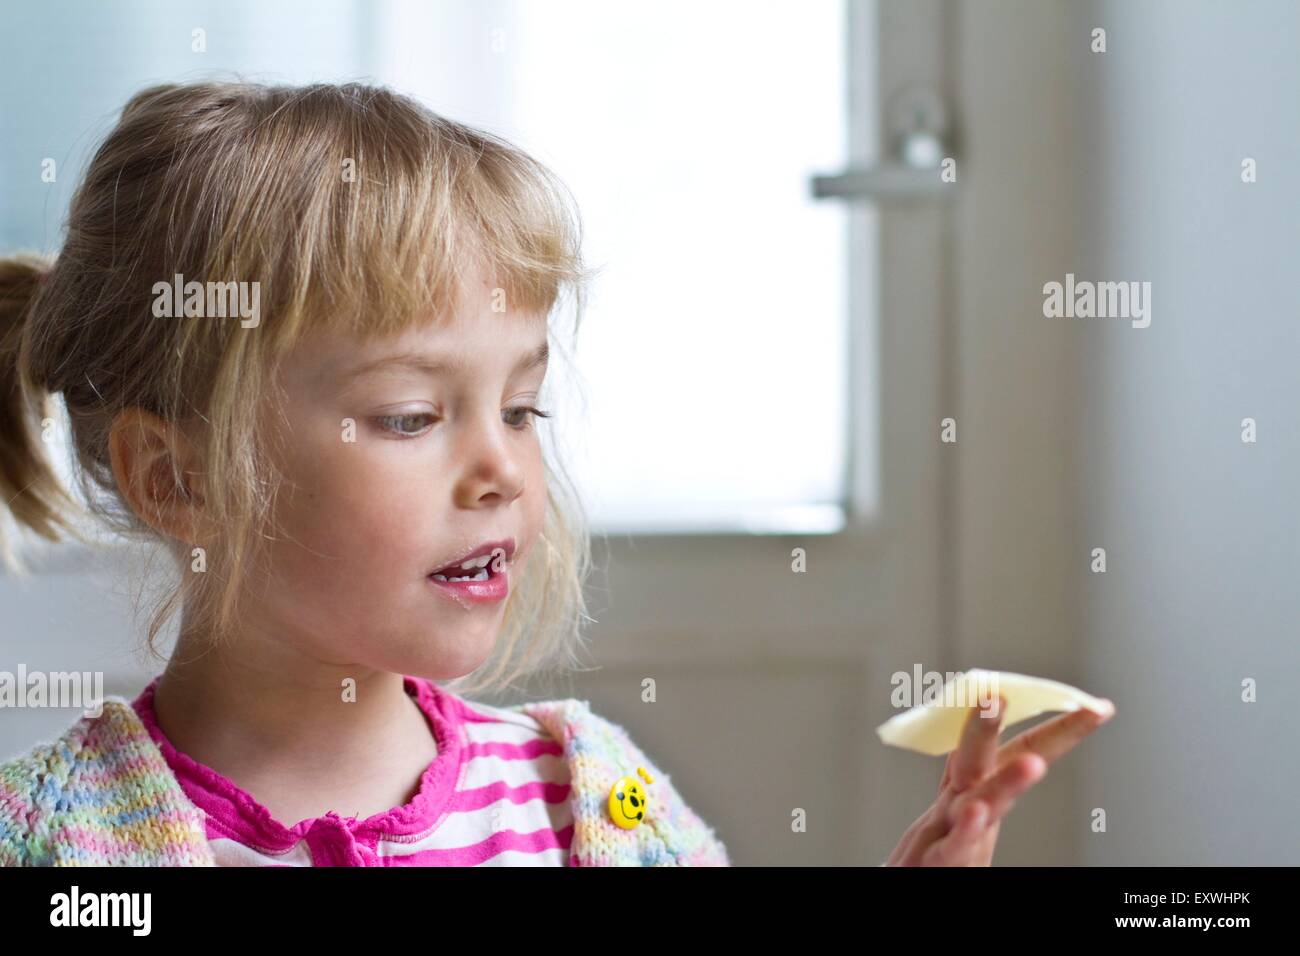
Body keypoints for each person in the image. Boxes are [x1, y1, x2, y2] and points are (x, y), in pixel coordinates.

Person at [0, 81, 1110, 867]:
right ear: (179, 479)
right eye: (411, 414)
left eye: (522, 407)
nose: (501, 469)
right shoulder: (50, 840)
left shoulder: (596, 797)